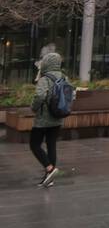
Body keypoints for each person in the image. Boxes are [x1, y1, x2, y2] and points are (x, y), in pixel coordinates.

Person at [30, 50, 69, 186]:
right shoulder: (64, 77)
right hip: (58, 116)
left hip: (43, 118)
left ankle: (50, 168)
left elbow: (39, 96)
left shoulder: (45, 78)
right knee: (51, 145)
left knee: (34, 144)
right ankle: (49, 178)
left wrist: (34, 108)